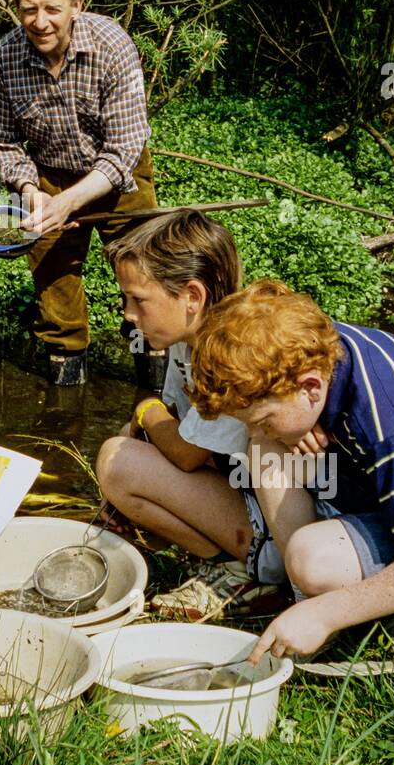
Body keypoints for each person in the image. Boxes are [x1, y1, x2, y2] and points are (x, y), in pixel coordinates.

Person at [187, 280, 394, 664]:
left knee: (313, 556)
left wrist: (328, 614)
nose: (255, 429)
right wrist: (287, 427)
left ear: (310, 387)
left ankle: (357, 607)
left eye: (263, 419)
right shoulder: (315, 351)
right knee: (265, 449)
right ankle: (305, 593)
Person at [96, 211, 301, 619]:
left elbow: (187, 453)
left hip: (282, 531)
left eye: (138, 299)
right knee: (129, 440)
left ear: (192, 296)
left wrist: (145, 408)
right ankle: (225, 557)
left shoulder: (231, 353)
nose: (128, 314)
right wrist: (147, 420)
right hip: (245, 497)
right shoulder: (186, 339)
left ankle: (247, 573)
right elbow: (175, 418)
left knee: (118, 459)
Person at [0, 0, 157, 386]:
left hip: (120, 176)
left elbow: (123, 150)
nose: (40, 22)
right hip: (48, 171)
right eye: (28, 9)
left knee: (142, 273)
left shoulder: (112, 44)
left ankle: (152, 373)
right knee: (54, 277)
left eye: (52, 9)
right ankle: (67, 374)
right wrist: (29, 190)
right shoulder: (3, 58)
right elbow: (4, 142)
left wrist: (72, 202)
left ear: (76, 5)